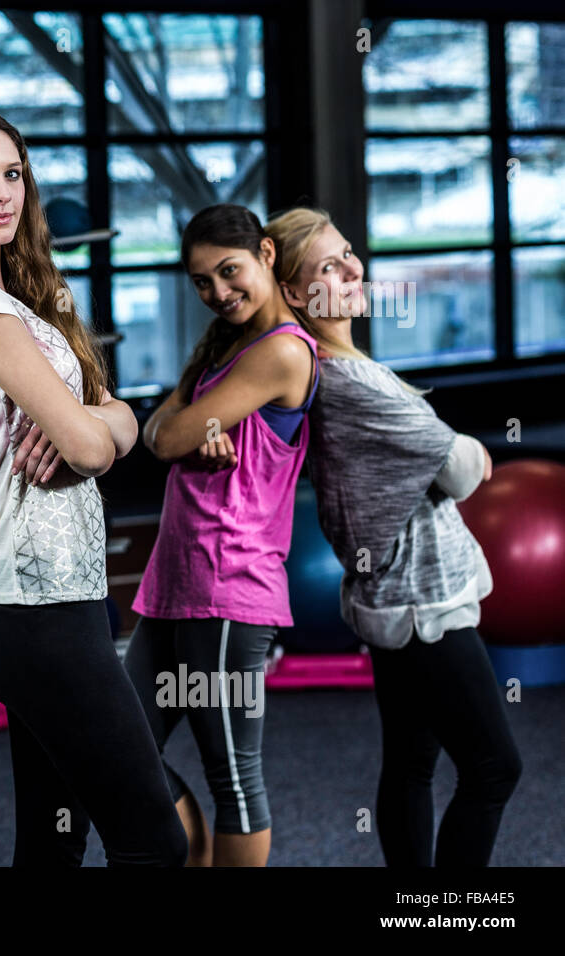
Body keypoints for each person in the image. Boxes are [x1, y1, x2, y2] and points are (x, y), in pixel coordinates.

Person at [0, 100, 186, 867]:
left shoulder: (12, 300)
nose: (2, 192)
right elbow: (92, 448)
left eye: (13, 174)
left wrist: (108, 418)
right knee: (154, 838)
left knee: (55, 837)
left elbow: (105, 427)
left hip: (52, 594)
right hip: (36, 606)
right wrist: (101, 425)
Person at [266, 207, 521, 867]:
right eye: (330, 264)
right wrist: (459, 448)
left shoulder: (336, 367)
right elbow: (463, 470)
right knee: (495, 767)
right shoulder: (352, 380)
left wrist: (450, 450)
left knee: (411, 762)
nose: (355, 268)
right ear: (294, 292)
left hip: (393, 598)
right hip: (421, 605)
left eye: (349, 252)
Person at [125, 204, 319, 868]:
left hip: (232, 588)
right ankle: (195, 859)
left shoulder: (283, 353)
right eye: (202, 281)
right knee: (120, 751)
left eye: (229, 271)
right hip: (177, 584)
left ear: (266, 253)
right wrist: (179, 431)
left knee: (232, 777)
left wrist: (180, 431)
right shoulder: (224, 348)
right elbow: (159, 435)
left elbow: (168, 433)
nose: (218, 292)